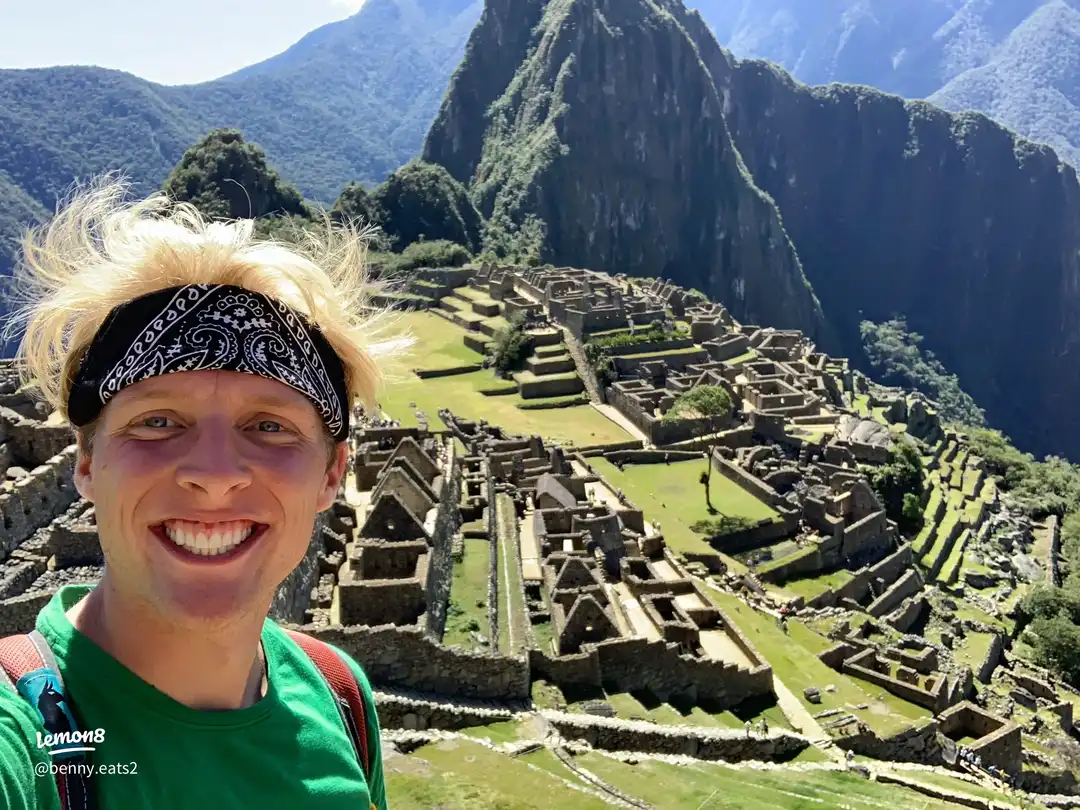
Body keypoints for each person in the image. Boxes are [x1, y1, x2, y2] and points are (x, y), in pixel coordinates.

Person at [0, 179, 407, 809]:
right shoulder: (23, 742)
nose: (215, 473)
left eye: (270, 426)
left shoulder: (339, 697)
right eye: (157, 421)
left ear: (332, 474)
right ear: (86, 461)